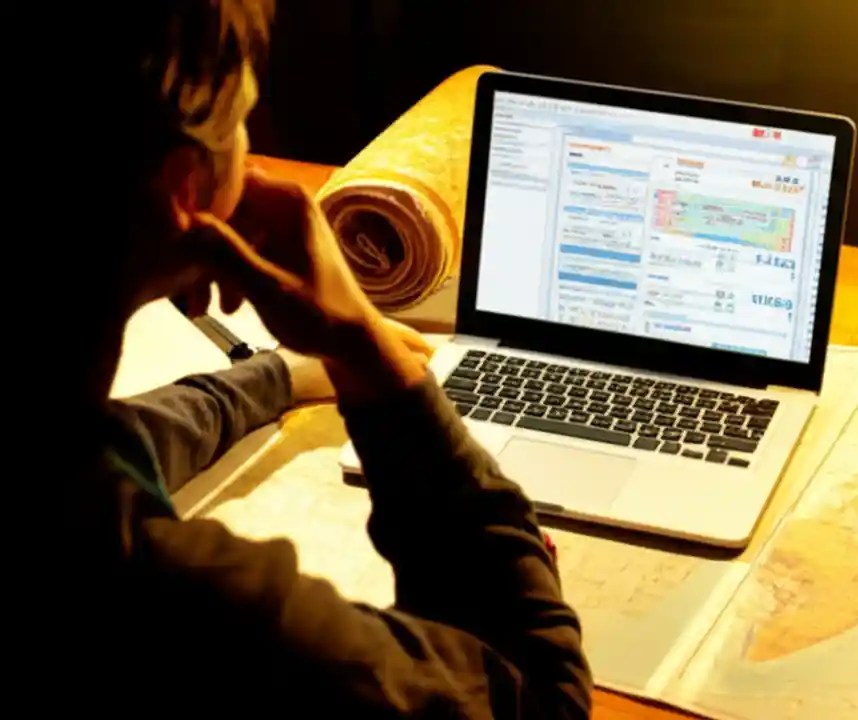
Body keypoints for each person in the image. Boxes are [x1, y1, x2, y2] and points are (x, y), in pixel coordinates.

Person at [51, 0, 591, 715]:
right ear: (186, 190)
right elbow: (540, 694)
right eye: (245, 119)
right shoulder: (202, 609)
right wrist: (368, 353)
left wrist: (275, 377)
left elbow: (115, 448)